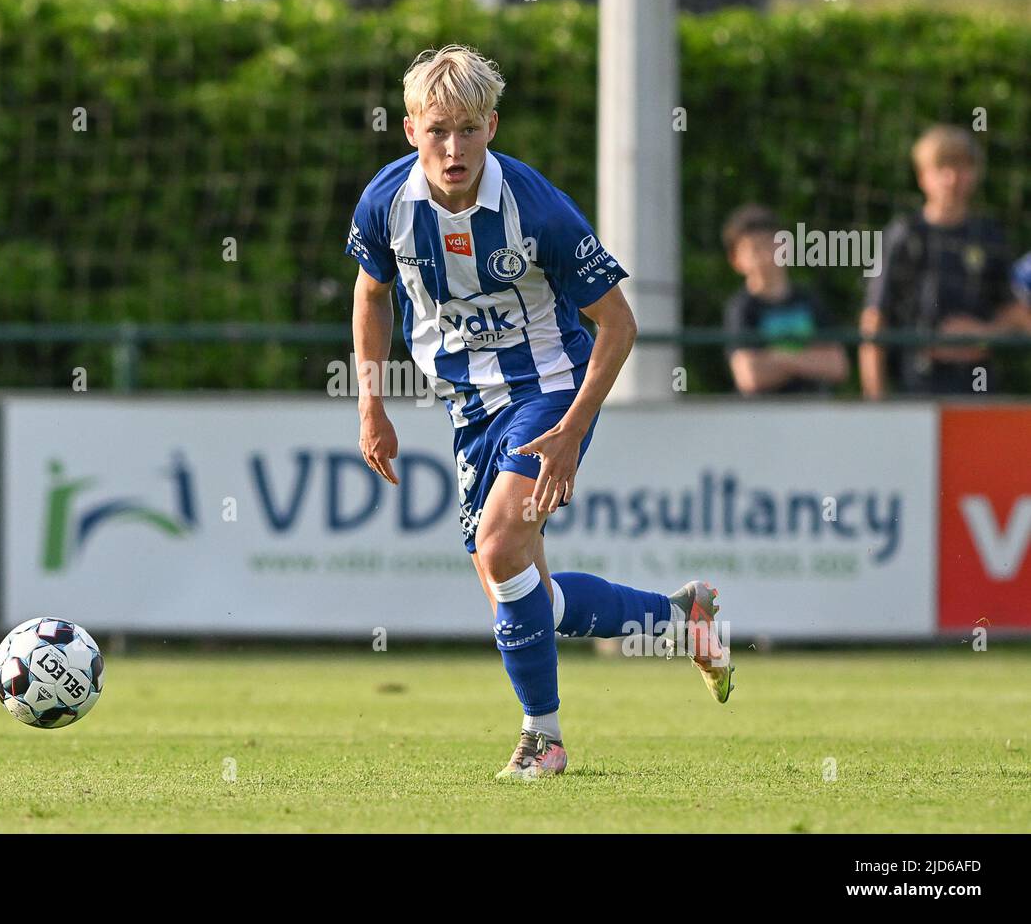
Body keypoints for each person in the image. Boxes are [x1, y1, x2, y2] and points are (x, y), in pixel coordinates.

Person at [346, 45, 732, 781]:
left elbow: (618, 324)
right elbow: (371, 293)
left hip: (548, 389)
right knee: (526, 595)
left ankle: (543, 740)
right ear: (409, 131)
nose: (453, 148)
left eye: (467, 129)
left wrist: (572, 430)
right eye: (437, 131)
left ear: (491, 126)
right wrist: (371, 401)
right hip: (468, 406)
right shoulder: (385, 203)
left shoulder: (537, 207)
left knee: (498, 550)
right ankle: (685, 621)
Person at [860, 125, 1023, 398]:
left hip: (978, 389)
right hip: (914, 389)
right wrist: (875, 402)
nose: (951, 179)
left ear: (975, 174)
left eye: (961, 167)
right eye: (941, 169)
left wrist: (983, 333)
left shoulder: (990, 236)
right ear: (923, 177)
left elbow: (1017, 314)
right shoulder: (902, 235)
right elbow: (875, 317)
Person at [721, 204, 848, 395]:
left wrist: (776, 359)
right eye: (755, 249)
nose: (765, 256)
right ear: (736, 260)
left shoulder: (809, 300)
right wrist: (808, 360)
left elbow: (837, 365)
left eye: (770, 244)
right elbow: (750, 376)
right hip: (763, 417)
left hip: (812, 413)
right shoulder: (741, 308)